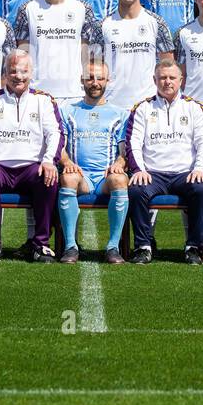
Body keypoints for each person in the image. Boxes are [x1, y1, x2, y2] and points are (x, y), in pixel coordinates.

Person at [0, 51, 63, 263]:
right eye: (13, 71)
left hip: (32, 167)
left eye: (23, 71)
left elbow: (56, 134)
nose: (18, 76)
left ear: (32, 73)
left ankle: (41, 245)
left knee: (49, 177)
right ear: (5, 73)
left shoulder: (44, 100)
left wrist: (49, 161)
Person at [123, 59, 203, 265]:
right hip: (152, 173)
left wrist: (199, 169)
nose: (167, 82)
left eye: (172, 77)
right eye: (162, 77)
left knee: (201, 190)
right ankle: (143, 246)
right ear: (154, 80)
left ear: (181, 80)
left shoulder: (194, 107)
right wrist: (138, 169)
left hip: (185, 174)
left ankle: (193, 247)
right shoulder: (143, 108)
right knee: (136, 189)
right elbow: (133, 142)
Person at [58, 61, 131, 265]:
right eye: (90, 78)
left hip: (105, 177)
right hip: (81, 175)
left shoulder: (120, 113)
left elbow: (125, 150)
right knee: (68, 177)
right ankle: (70, 246)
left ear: (108, 80)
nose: (95, 82)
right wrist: (67, 162)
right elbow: (60, 146)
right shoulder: (67, 110)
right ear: (82, 80)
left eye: (100, 78)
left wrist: (120, 162)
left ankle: (113, 247)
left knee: (119, 179)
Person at [13, 0, 103, 103]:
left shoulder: (82, 9)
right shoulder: (27, 9)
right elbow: (22, 54)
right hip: (37, 93)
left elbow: (86, 52)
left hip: (74, 93)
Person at [99, 0, 174, 110]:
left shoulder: (156, 22)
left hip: (148, 105)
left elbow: (168, 67)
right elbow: (95, 66)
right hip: (113, 105)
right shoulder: (103, 25)